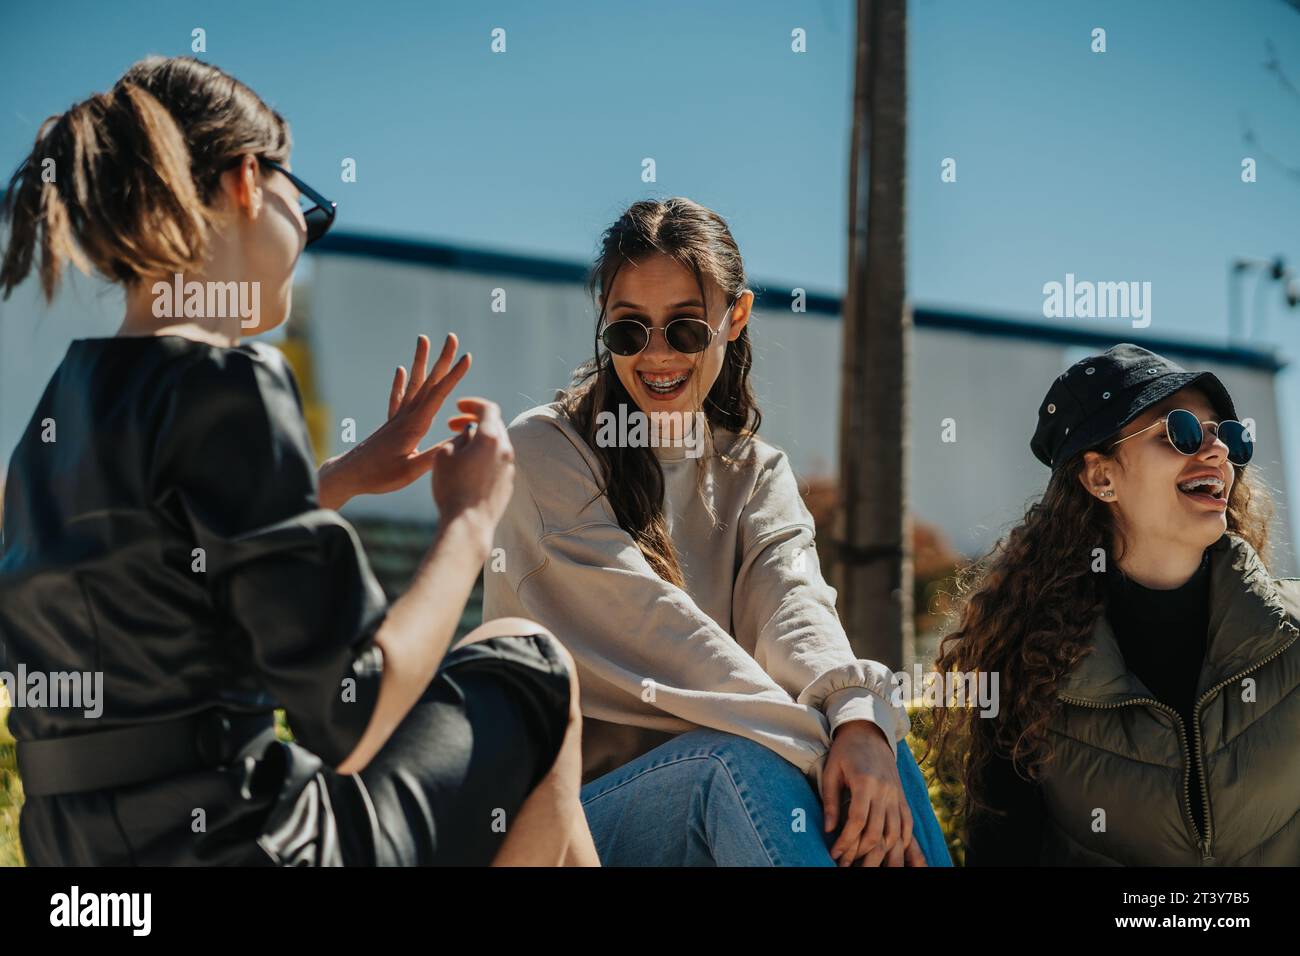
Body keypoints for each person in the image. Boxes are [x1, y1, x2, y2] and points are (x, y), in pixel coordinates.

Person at [0, 56, 598, 866]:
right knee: (533, 662)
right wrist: (469, 516)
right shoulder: (227, 378)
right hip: (258, 849)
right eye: (305, 204)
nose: (307, 231)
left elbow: (164, 580)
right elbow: (355, 711)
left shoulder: (52, 420)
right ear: (248, 180)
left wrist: (341, 480)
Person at [482, 197, 950, 866]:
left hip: (733, 788)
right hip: (569, 826)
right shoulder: (542, 451)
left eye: (685, 329)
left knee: (878, 750)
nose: (656, 355)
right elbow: (656, 630)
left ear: (735, 317)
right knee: (738, 764)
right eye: (628, 331)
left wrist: (855, 716)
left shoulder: (753, 472)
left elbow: (793, 605)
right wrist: (820, 741)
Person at [929, 343, 1300, 866]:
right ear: (1101, 477)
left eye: (1227, 435)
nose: (1217, 452)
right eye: (1183, 432)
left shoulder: (1294, 634)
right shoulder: (1023, 670)